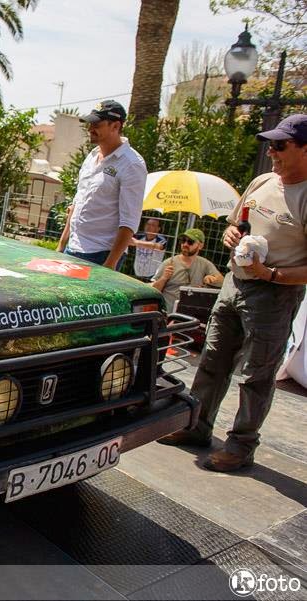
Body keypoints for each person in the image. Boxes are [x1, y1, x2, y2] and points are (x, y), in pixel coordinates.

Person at [159, 114, 307, 472]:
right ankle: (197, 427)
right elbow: (236, 223)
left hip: (274, 295)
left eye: (281, 145)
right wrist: (230, 236)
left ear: (305, 148)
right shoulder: (262, 182)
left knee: (257, 374)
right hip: (233, 285)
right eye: (270, 144)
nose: (271, 151)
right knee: (212, 359)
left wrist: (270, 273)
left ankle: (241, 446)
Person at [57, 100, 147, 271]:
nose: (91, 129)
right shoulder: (91, 156)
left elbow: (129, 221)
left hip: (101, 255)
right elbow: (77, 203)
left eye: (97, 124)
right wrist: (61, 245)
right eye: (90, 124)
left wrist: (110, 264)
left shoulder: (132, 164)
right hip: (72, 249)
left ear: (115, 126)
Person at [150, 228, 223, 310]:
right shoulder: (169, 263)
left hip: (191, 314)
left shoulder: (205, 264)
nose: (185, 244)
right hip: (168, 313)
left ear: (200, 246)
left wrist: (211, 279)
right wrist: (163, 278)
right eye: (183, 240)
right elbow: (153, 291)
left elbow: (221, 282)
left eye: (190, 242)